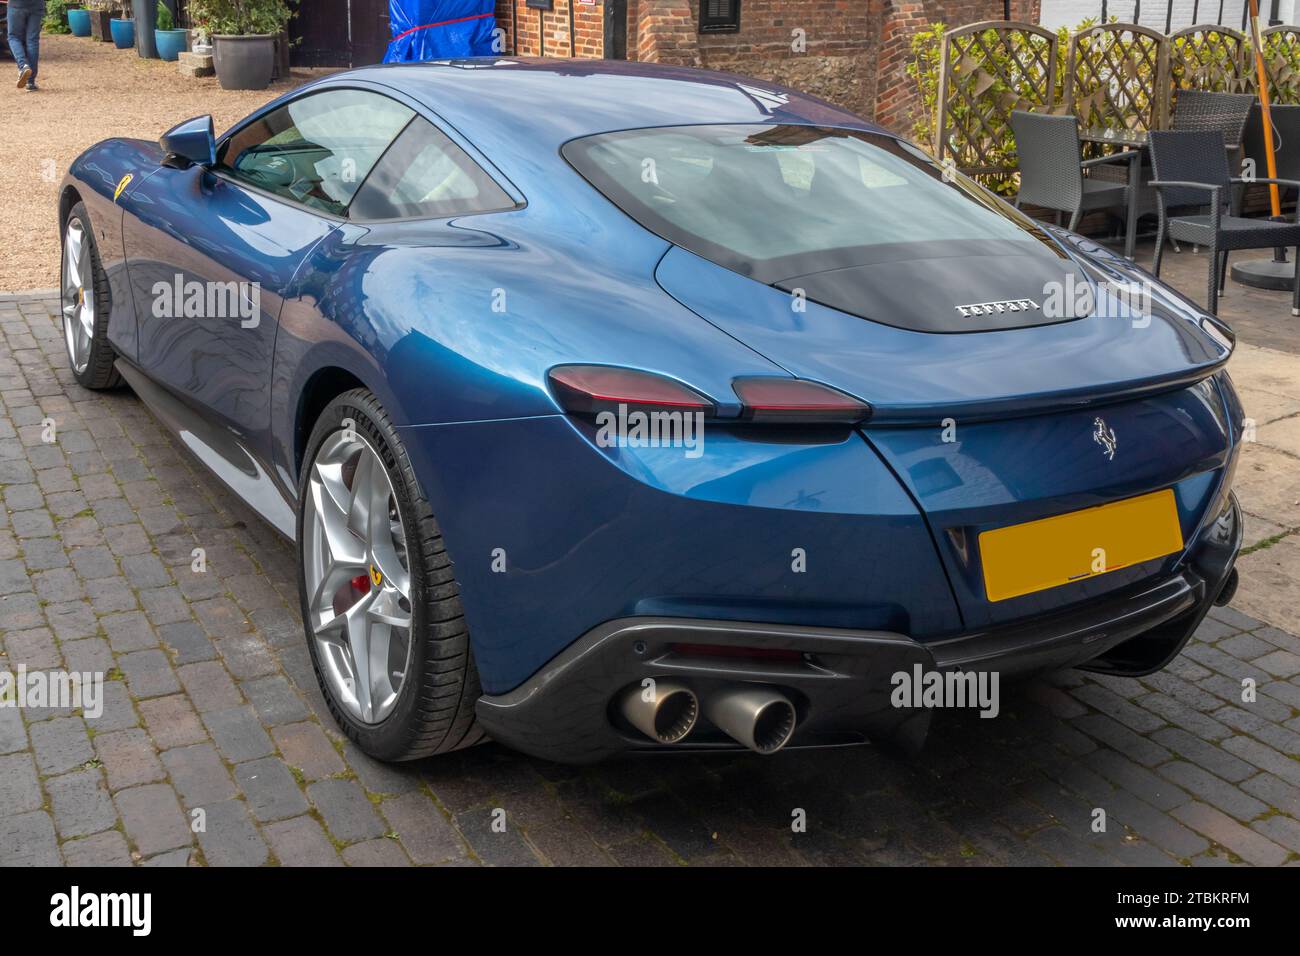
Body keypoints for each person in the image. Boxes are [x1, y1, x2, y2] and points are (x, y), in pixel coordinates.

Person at [7, 0, 46, 92]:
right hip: (36, 5)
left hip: (16, 4)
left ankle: (23, 65)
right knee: (32, 40)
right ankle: (30, 82)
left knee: (13, 37)